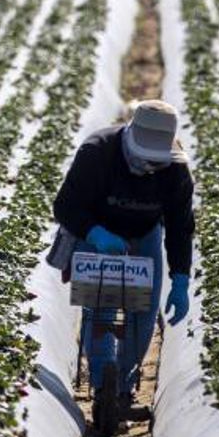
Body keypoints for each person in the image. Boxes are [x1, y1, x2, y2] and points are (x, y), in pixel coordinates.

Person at [52, 100, 195, 415]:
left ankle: (125, 387)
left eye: (157, 162)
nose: (150, 168)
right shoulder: (97, 153)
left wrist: (180, 277)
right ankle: (103, 381)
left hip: (145, 235)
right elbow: (64, 206)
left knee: (141, 312)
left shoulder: (175, 171)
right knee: (99, 306)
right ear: (131, 140)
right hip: (97, 234)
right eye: (146, 160)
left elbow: (180, 226)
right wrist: (95, 234)